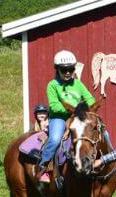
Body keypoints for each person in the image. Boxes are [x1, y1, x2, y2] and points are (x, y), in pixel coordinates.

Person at [39, 50, 96, 184]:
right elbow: (53, 106)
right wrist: (75, 108)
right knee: (54, 139)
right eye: (64, 70)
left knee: (102, 135)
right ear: (57, 69)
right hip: (59, 118)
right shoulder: (52, 85)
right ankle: (44, 167)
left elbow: (91, 99)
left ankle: (100, 163)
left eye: (71, 69)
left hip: (78, 117)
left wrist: (85, 109)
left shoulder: (78, 84)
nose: (68, 72)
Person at [31, 104, 68, 197]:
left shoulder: (52, 122)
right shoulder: (35, 125)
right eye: (39, 113)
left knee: (57, 179)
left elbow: (54, 135)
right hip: (43, 148)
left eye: (43, 113)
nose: (41, 115)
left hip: (52, 146)